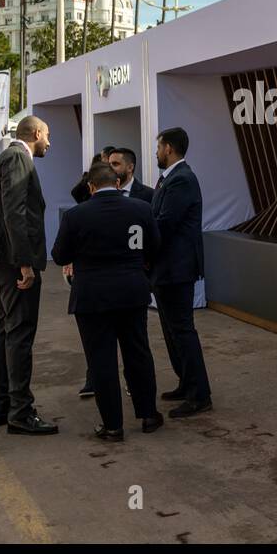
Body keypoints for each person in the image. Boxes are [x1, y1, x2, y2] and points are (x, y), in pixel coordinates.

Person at [52, 162, 163, 440]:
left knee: (101, 360)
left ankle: (113, 426)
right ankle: (148, 414)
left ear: (90, 187)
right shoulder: (140, 208)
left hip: (92, 296)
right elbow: (155, 247)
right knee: (138, 352)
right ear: (117, 183)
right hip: (132, 291)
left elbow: (60, 256)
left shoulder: (76, 216)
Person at [0, 115, 57, 435]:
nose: (49, 141)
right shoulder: (19, 158)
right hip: (9, 258)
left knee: (6, 328)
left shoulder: (6, 158)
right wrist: (24, 262)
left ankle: (4, 405)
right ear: (35, 133)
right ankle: (21, 411)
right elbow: (15, 211)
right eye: (47, 135)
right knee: (19, 332)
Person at [151, 127, 212, 417]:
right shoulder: (172, 179)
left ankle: (199, 395)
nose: (156, 152)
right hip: (166, 268)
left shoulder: (181, 180)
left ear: (169, 149)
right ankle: (186, 383)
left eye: (159, 147)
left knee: (183, 331)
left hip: (176, 268)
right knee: (172, 331)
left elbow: (164, 223)